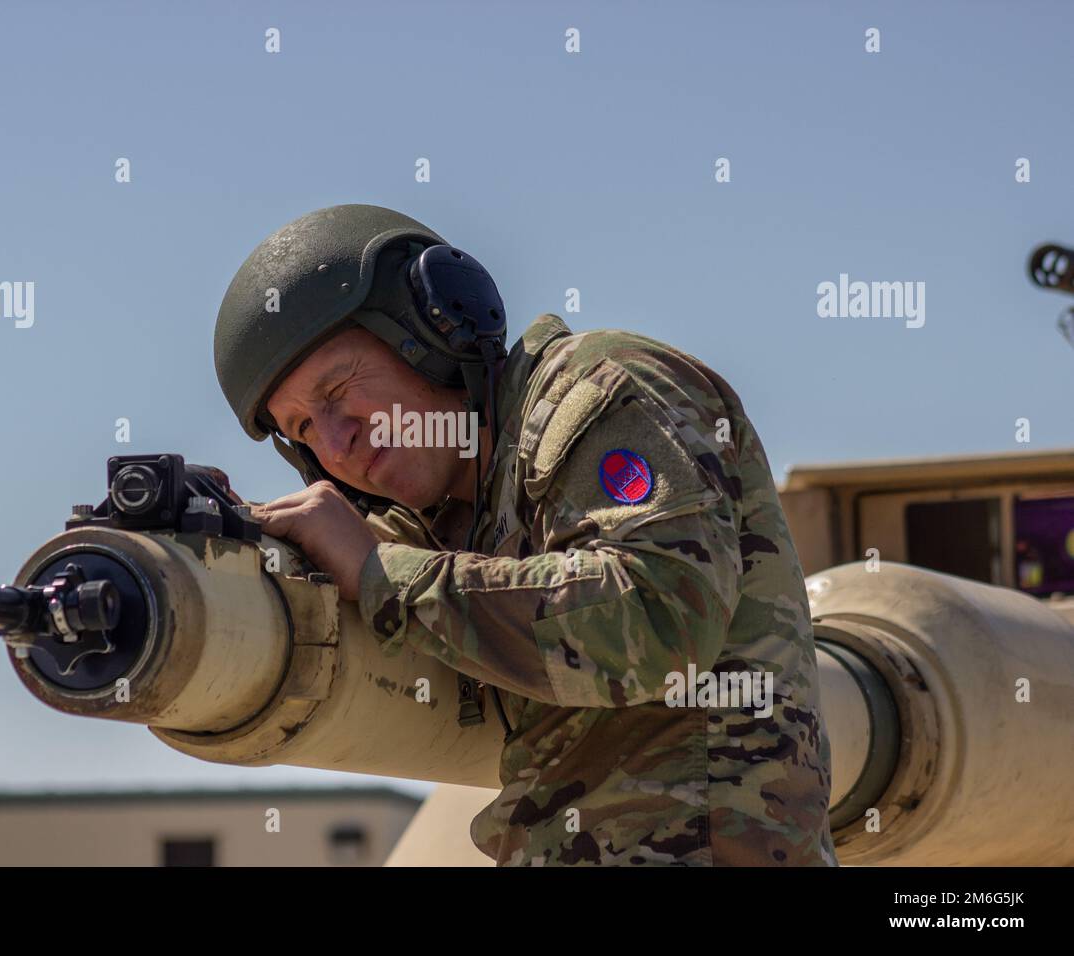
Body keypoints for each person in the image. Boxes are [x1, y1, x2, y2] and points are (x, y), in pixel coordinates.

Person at [214, 204, 837, 866]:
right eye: (305, 429)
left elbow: (658, 616)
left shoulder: (595, 389)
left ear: (430, 328)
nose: (337, 441)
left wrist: (381, 575)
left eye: (338, 390)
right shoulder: (446, 522)